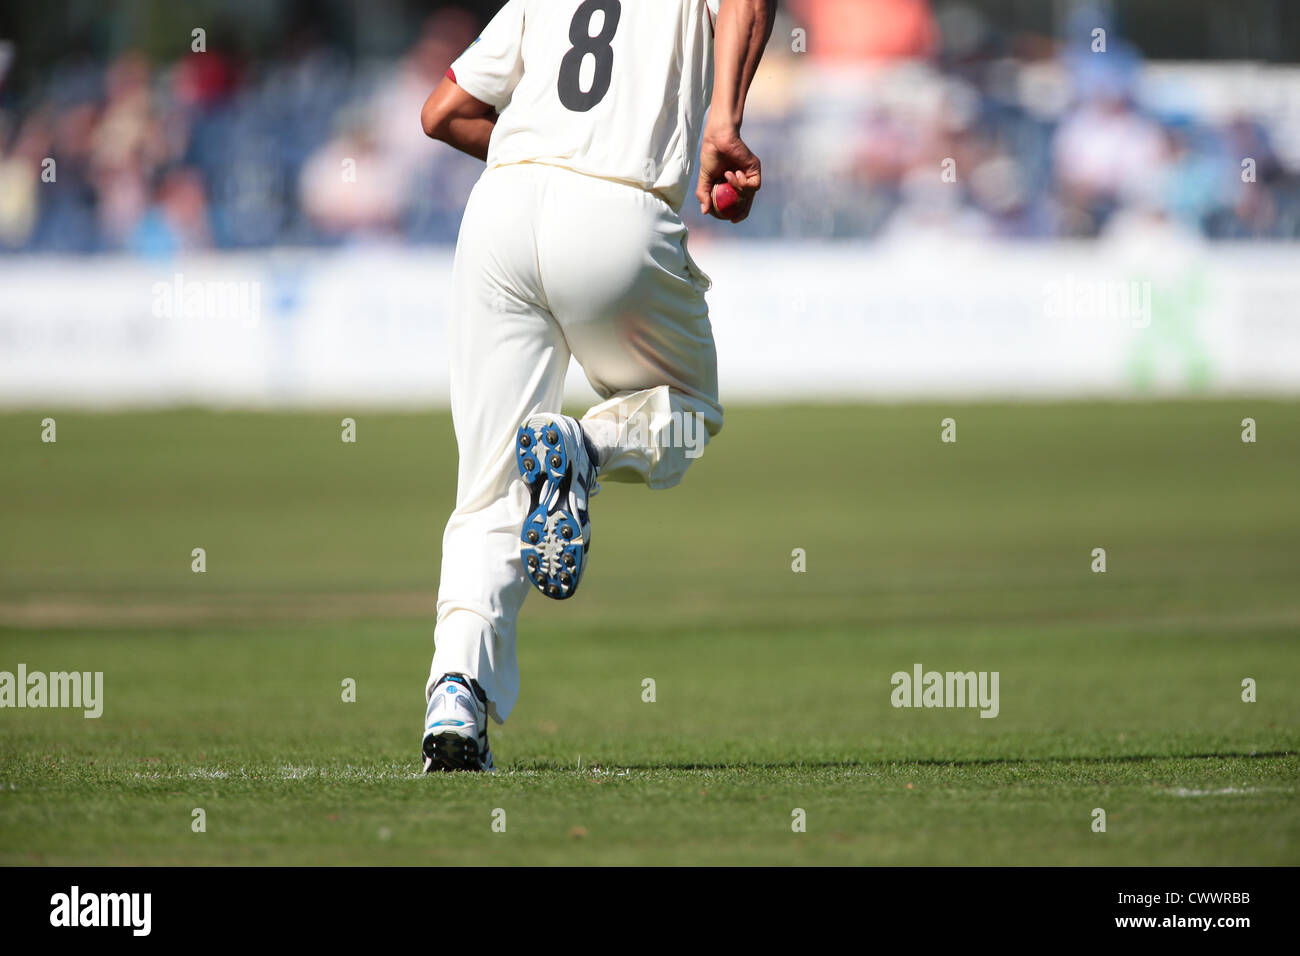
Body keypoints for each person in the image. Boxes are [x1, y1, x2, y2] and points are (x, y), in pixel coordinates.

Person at [418, 0, 775, 771]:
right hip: (616, 207)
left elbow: (442, 111)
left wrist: (533, 153)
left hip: (500, 212)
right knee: (690, 415)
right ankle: (588, 443)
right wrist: (722, 124)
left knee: (485, 491)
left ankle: (455, 691)